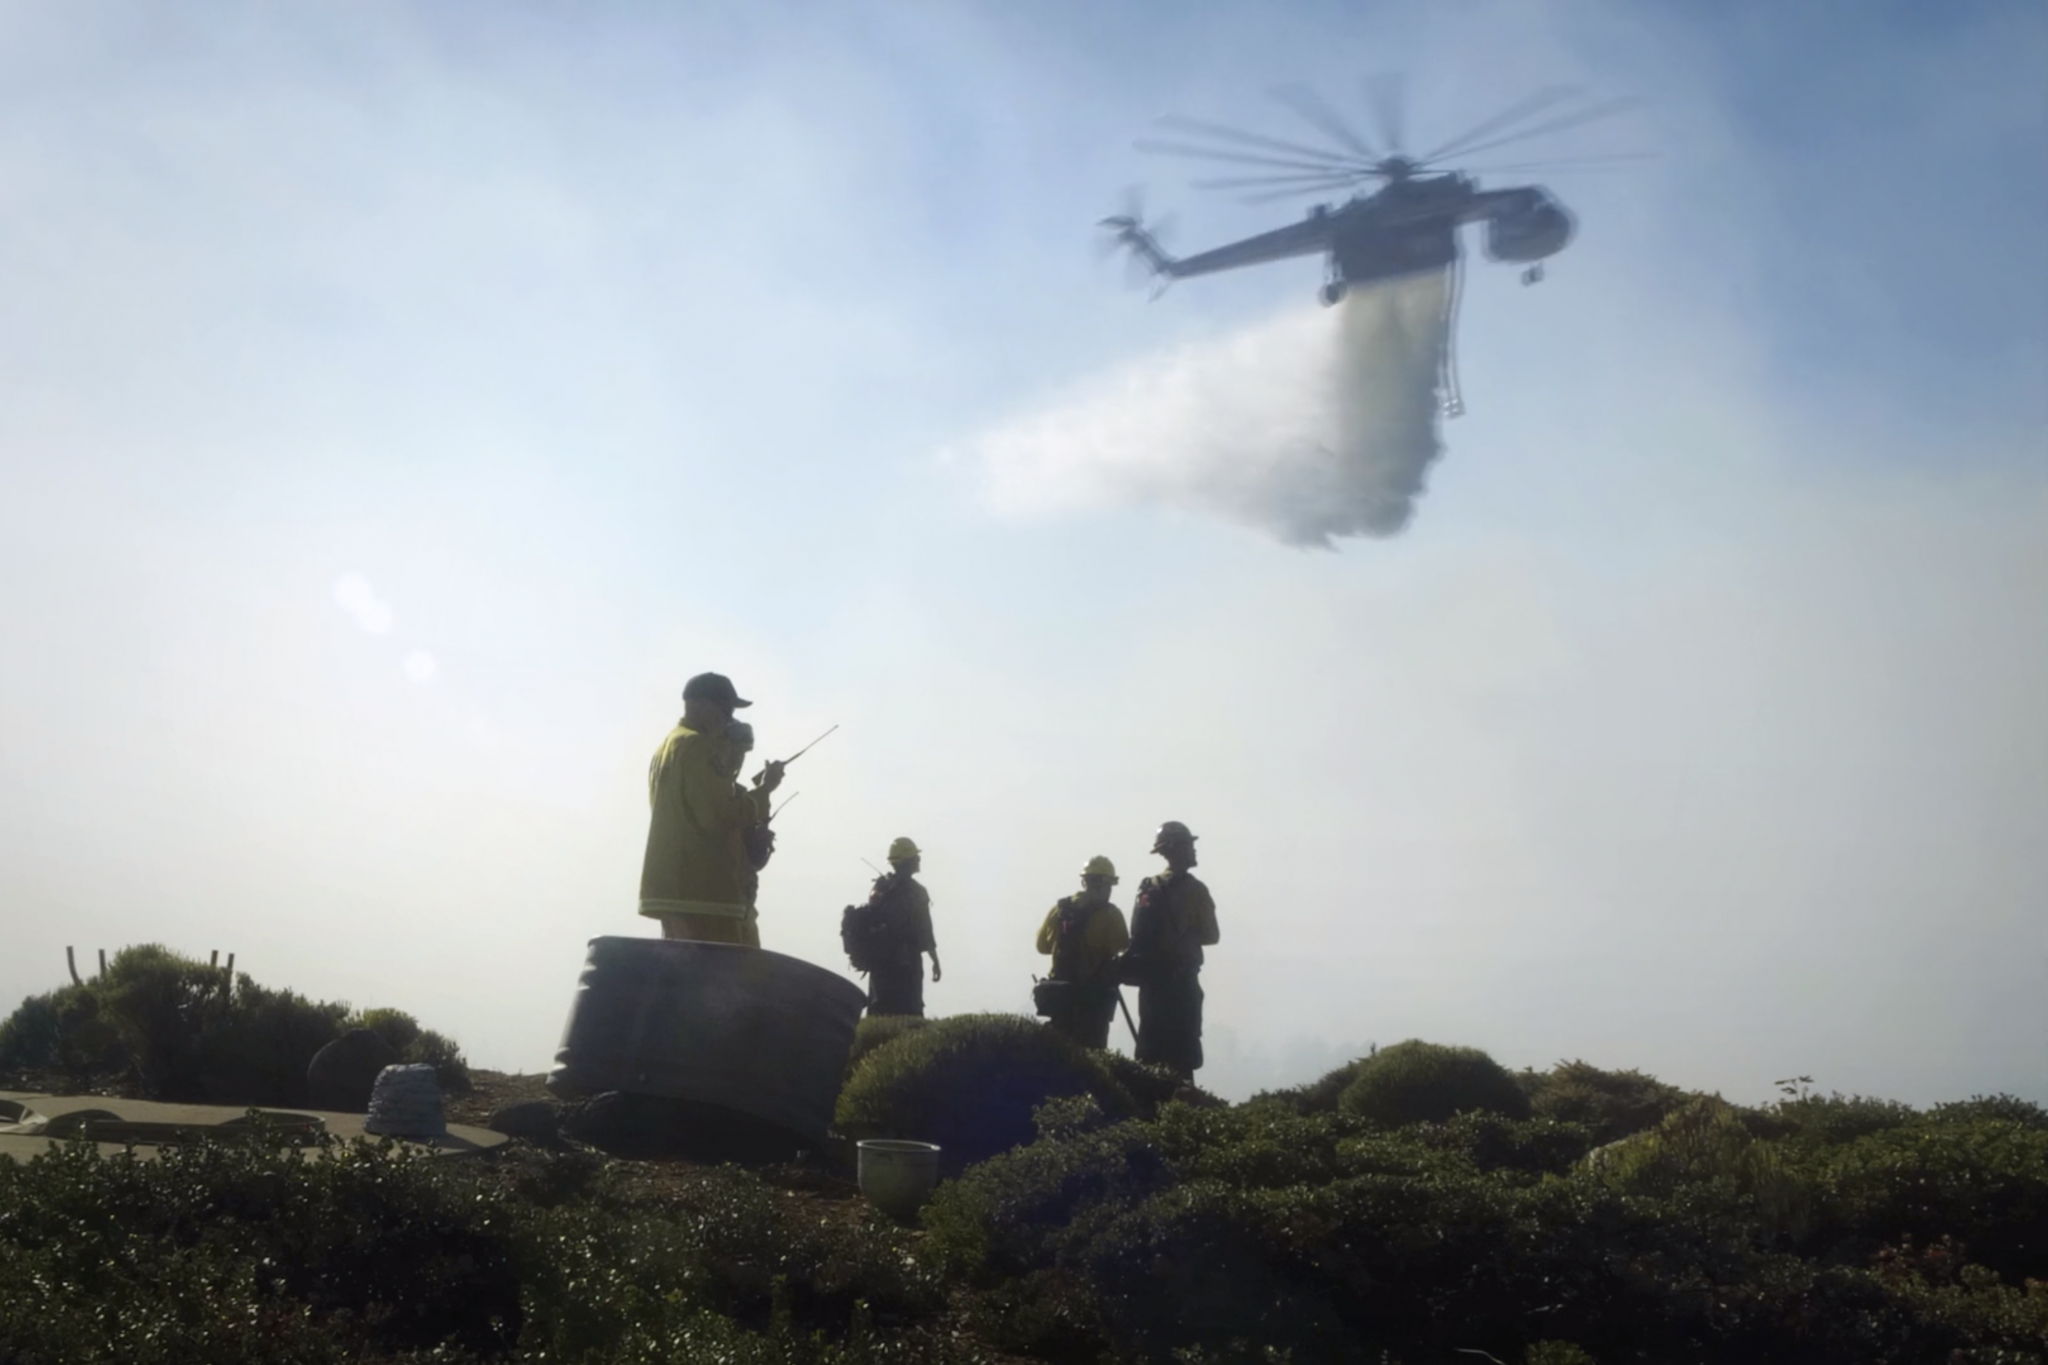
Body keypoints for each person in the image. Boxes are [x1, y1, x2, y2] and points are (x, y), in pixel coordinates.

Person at [637, 672, 783, 947]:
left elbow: (699, 805)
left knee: (685, 982)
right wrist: (763, 793)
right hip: (705, 895)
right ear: (703, 705)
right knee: (726, 980)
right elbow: (720, 815)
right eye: (727, 709)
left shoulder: (669, 746)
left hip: (674, 892)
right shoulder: (698, 746)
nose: (729, 719)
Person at [1120, 821, 1219, 1080]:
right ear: (1176, 849)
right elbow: (1212, 936)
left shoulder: (1147, 887)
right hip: (1182, 984)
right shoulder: (1196, 890)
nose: (1194, 851)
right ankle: (1180, 1112)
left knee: (1150, 1052)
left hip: (1151, 984)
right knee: (1182, 1057)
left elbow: (1135, 935)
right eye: (1189, 845)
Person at [1035, 855, 1131, 1050]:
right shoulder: (1111, 915)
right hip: (1093, 1000)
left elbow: (1042, 947)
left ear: (1084, 881)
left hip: (1059, 998)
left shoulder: (1060, 910)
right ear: (1104, 885)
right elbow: (1122, 948)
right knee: (1093, 1058)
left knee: (1059, 1055)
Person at [858, 837, 941, 1017]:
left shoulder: (880, 887)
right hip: (906, 963)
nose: (919, 861)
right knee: (909, 1011)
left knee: (879, 1009)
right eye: (916, 858)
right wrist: (935, 960)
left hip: (880, 963)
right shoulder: (916, 892)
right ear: (908, 862)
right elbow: (925, 929)